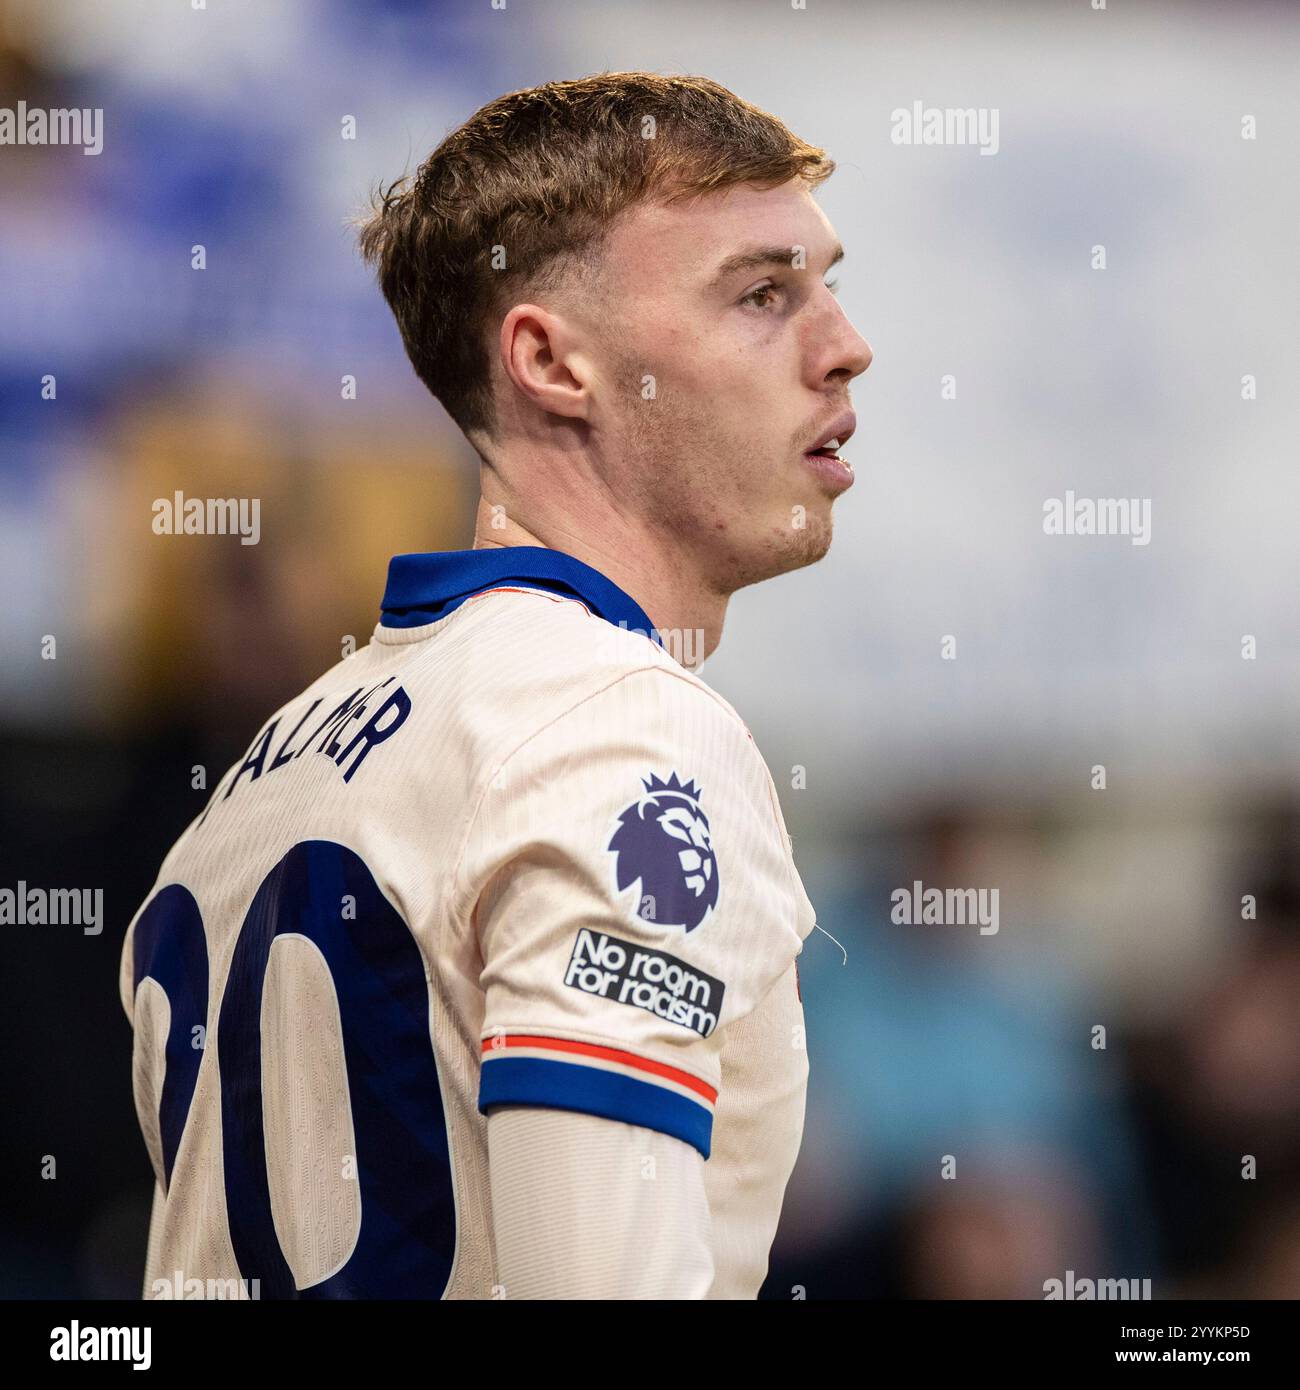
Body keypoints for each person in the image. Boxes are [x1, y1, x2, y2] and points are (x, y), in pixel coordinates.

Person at [119, 71, 872, 1300]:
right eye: (761, 294)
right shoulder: (626, 727)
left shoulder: (263, 773)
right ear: (551, 361)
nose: (844, 346)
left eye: (828, 286)